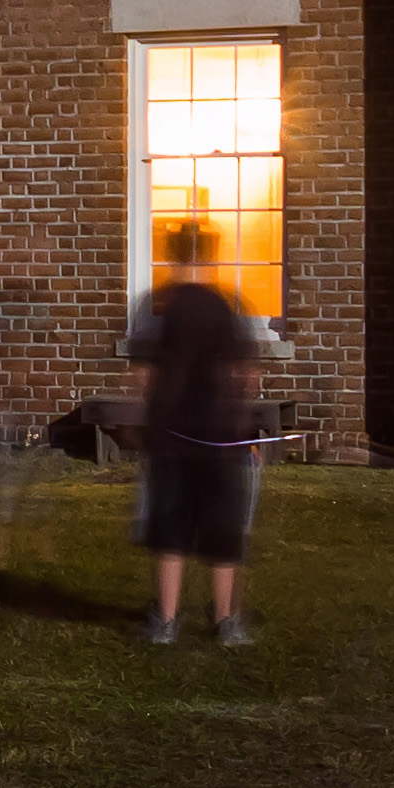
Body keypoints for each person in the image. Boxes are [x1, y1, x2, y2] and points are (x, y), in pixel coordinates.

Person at [122, 218, 282, 645]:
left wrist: (145, 423)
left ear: (172, 255)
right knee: (223, 529)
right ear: (210, 255)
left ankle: (166, 621)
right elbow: (246, 374)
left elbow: (146, 376)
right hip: (221, 435)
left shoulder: (155, 305)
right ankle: (227, 622)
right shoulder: (229, 305)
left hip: (172, 433)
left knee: (170, 528)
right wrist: (244, 424)